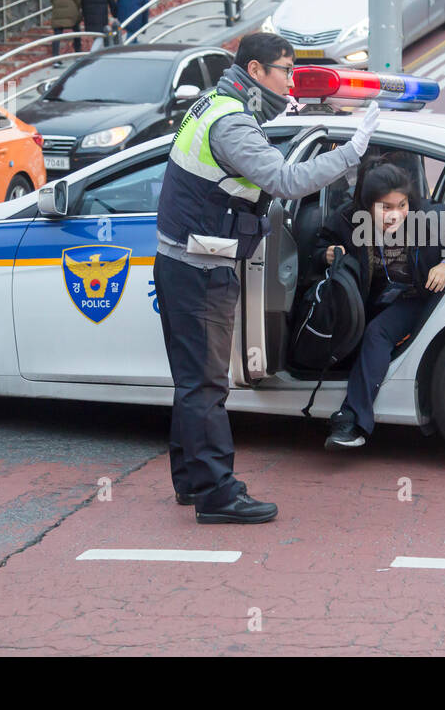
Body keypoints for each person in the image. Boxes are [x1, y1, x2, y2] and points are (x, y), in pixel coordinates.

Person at [154, 32, 383, 523]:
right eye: (285, 70)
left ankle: (193, 482)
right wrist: (351, 153)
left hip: (184, 262)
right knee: (207, 385)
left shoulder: (215, 104)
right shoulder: (231, 123)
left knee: (192, 383)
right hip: (201, 270)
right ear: (255, 72)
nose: (291, 79)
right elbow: (285, 180)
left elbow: (254, 138)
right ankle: (217, 496)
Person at [314, 161, 445, 450]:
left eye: (401, 205)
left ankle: (352, 419)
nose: (395, 215)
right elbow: (321, 242)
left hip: (419, 297)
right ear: (367, 206)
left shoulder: (429, 217)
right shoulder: (348, 221)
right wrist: (325, 253)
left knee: (377, 333)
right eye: (385, 207)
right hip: (376, 296)